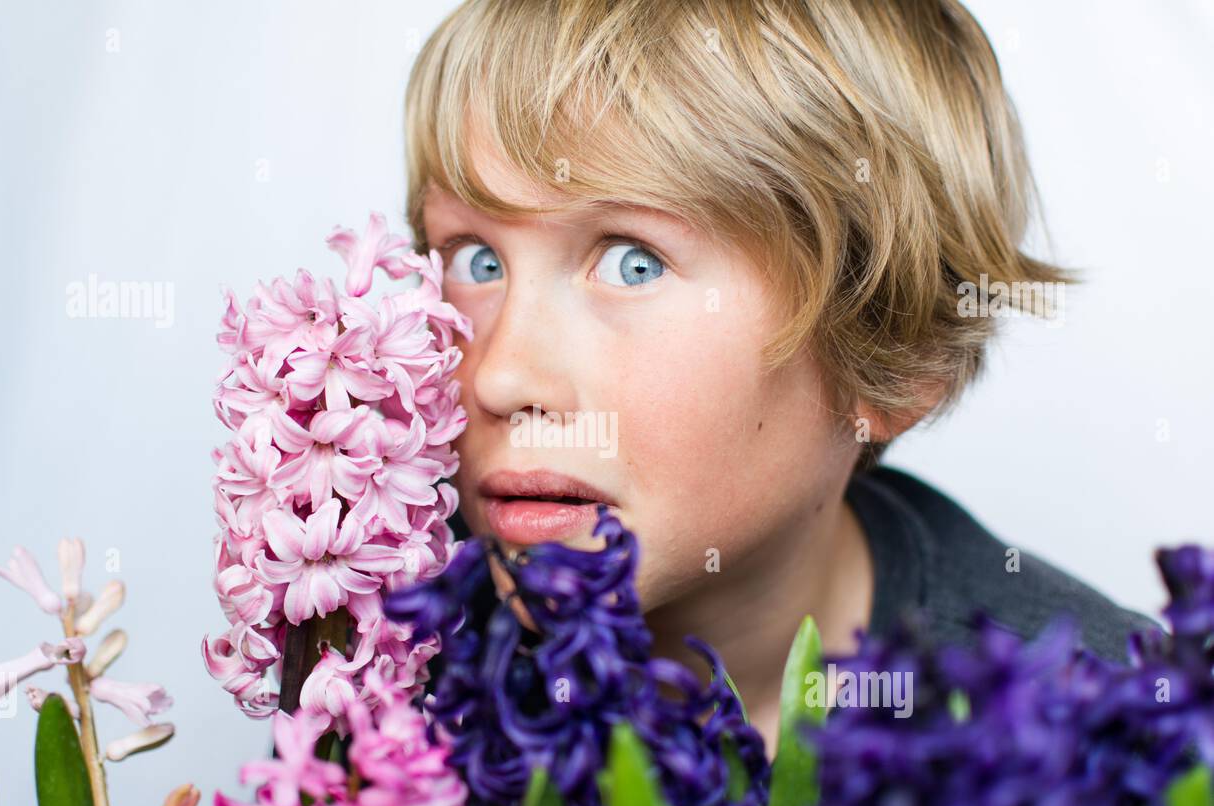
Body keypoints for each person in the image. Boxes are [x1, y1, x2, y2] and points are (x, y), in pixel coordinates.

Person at [402, 0, 1162, 760]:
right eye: (477, 261)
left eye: (634, 262)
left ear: (893, 359)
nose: (499, 377)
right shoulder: (382, 649)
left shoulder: (1105, 737)